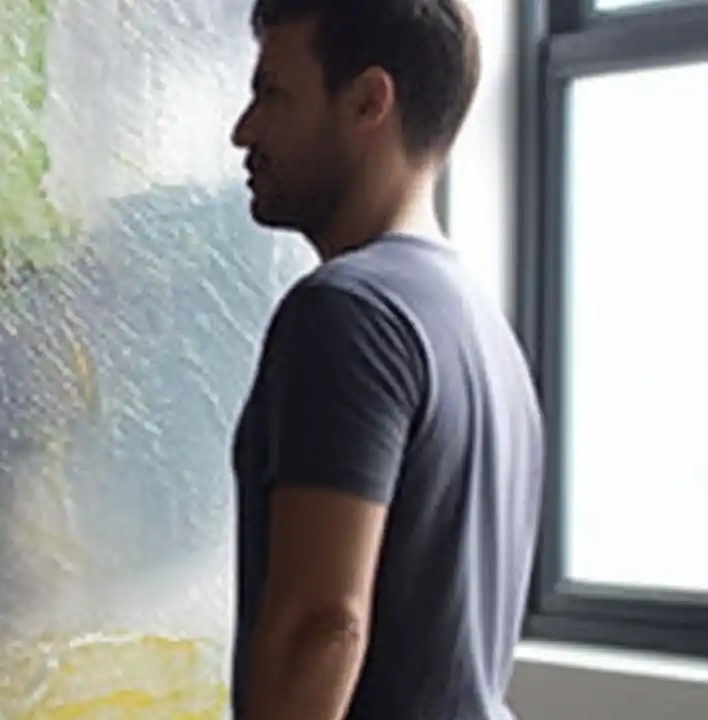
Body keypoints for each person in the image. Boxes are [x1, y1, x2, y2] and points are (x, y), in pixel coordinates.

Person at [228, 1, 543, 719]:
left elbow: (322, 624)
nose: (244, 130)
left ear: (369, 101)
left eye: (271, 93)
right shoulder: (483, 328)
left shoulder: (347, 312)